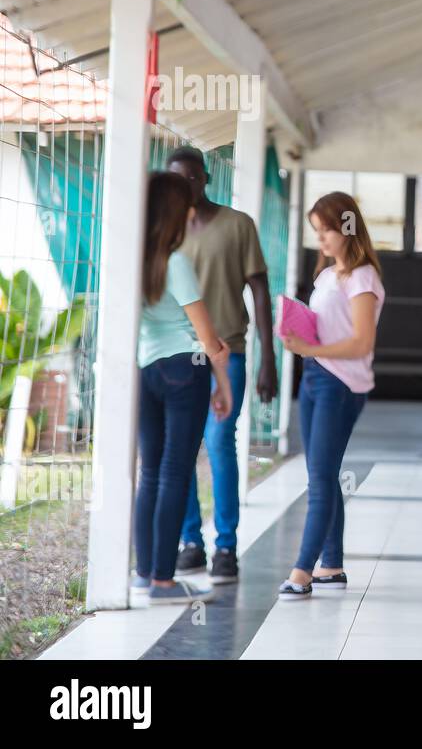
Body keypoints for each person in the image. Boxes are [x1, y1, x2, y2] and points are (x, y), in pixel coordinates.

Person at [166, 146, 277, 585]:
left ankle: (226, 545)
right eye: (177, 179)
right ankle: (191, 541)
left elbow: (261, 293)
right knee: (182, 446)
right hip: (176, 352)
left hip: (227, 350)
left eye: (192, 178)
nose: (186, 186)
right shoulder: (167, 229)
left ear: (205, 178)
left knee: (218, 441)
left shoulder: (237, 225)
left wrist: (269, 358)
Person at [277, 192, 385, 599]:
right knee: (321, 473)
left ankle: (302, 571)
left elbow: (360, 343)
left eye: (326, 231)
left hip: (340, 385)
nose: (320, 240)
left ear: (347, 228)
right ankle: (332, 564)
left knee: (321, 478)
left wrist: (310, 350)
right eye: (316, 232)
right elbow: (328, 329)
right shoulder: (327, 276)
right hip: (315, 377)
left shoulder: (362, 278)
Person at [135, 171, 233, 605]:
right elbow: (208, 338)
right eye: (188, 204)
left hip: (145, 369)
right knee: (175, 472)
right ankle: (164, 582)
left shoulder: (134, 257)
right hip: (185, 367)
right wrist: (223, 377)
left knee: (150, 473)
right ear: (176, 212)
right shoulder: (175, 260)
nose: (194, 210)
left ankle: (145, 575)